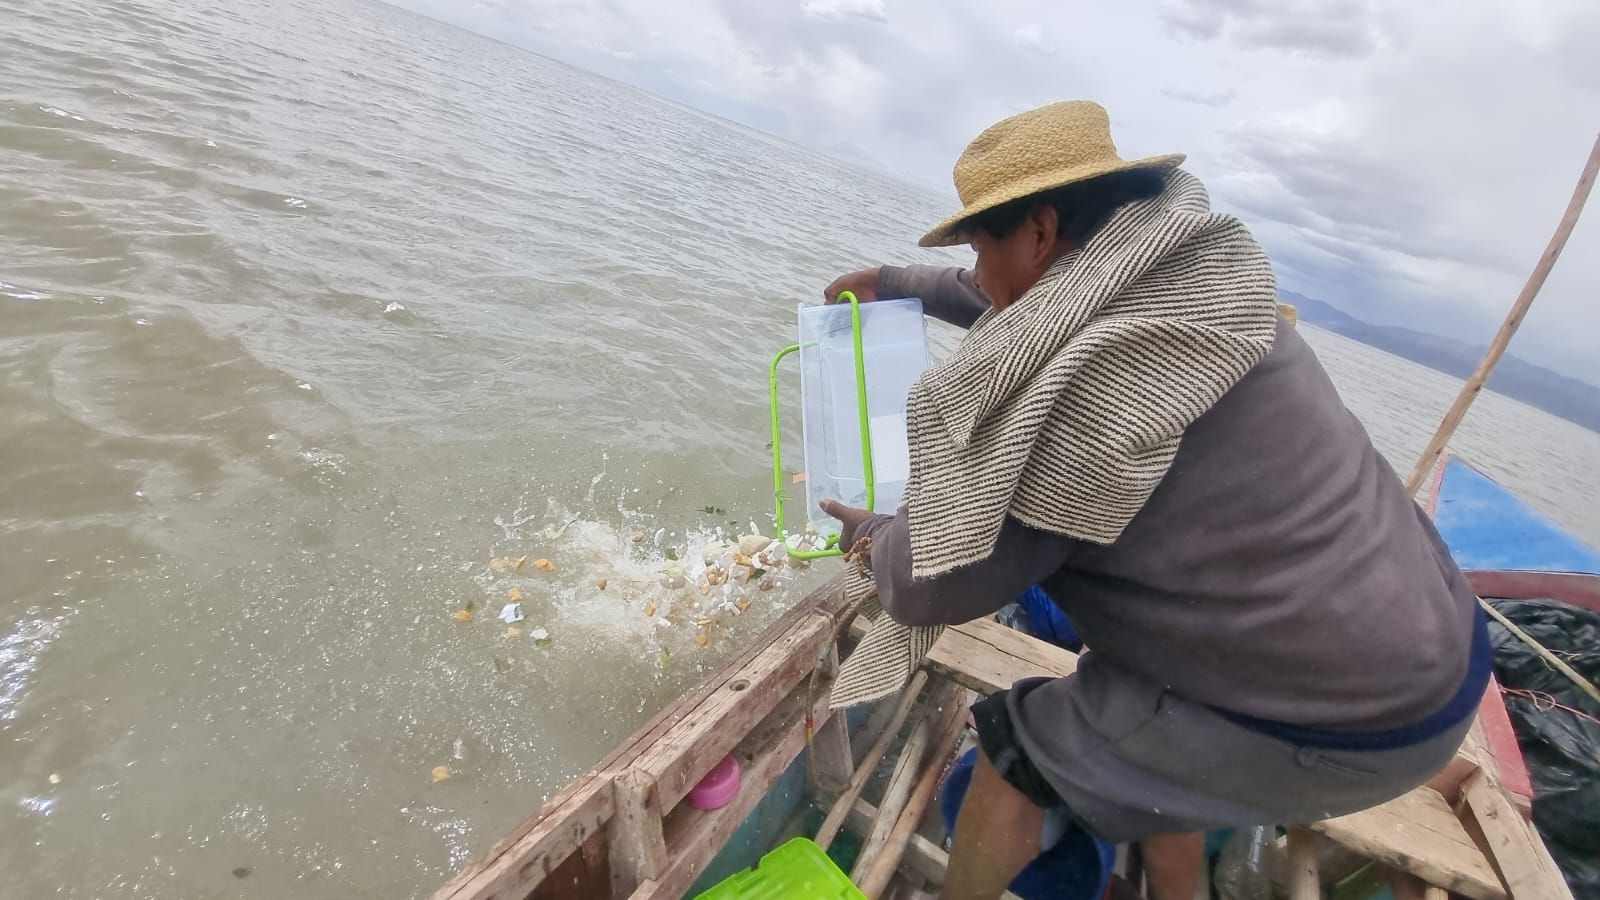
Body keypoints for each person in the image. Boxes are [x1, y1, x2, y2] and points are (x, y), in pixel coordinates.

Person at [816, 100, 1486, 900]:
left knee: (1013, 752)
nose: (975, 268)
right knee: (1134, 708)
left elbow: (938, 581)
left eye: (976, 244)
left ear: (1037, 233)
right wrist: (897, 286)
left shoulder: (1083, 406)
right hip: (1436, 646)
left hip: (1350, 720)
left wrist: (875, 538)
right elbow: (1039, 314)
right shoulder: (1208, 287)